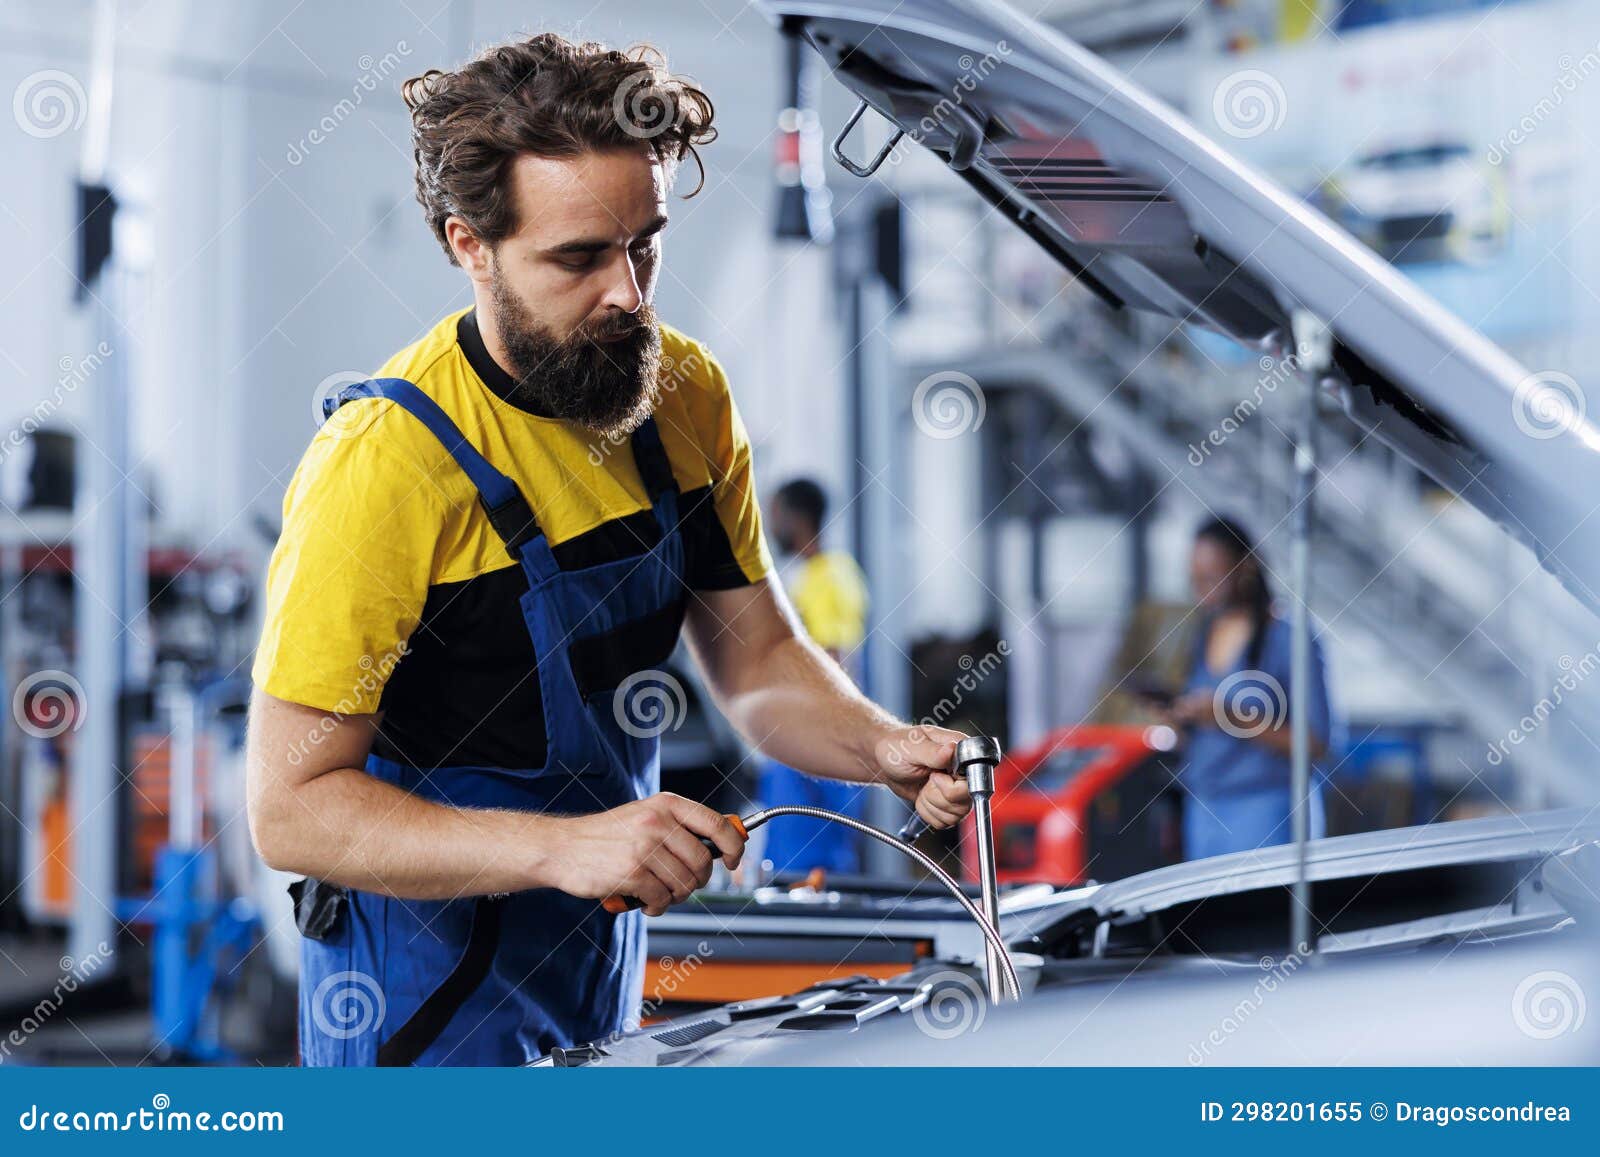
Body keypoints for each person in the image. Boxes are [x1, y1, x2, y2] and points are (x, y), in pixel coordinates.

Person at [244, 33, 971, 1067]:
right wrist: (565, 844)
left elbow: (756, 662)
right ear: (470, 244)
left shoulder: (683, 394)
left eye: (646, 244)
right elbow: (291, 809)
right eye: (580, 258)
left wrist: (881, 746)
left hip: (597, 962)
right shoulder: (384, 466)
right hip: (418, 1006)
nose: (628, 294)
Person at [1160, 517, 1332, 860]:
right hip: (1205, 808)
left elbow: (1315, 743)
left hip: (1266, 809)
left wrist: (1230, 716)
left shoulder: (1288, 638)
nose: (1203, 593)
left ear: (1245, 567)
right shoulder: (1203, 634)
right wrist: (1182, 719)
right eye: (1196, 582)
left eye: (1212, 579)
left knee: (1261, 913)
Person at [758, 479, 871, 874]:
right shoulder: (825, 573)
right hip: (808, 735)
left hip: (815, 737)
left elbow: (831, 662)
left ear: (795, 518)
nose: (772, 527)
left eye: (775, 515)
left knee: (809, 857)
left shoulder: (825, 578)